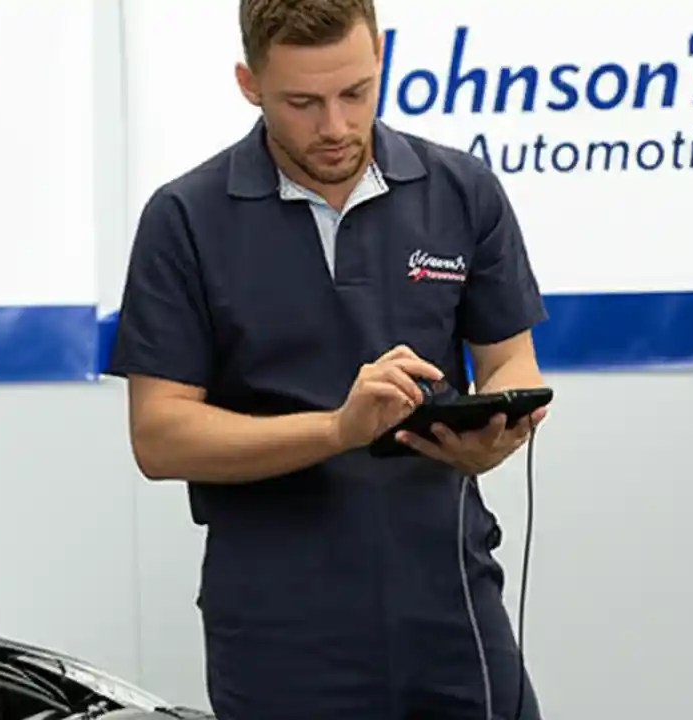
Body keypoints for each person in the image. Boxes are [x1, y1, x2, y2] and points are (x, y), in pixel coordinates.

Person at [105, 1, 550, 717]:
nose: (337, 126)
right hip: (280, 627)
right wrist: (337, 431)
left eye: (356, 93)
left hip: (451, 598)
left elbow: (512, 364)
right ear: (249, 83)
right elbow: (159, 438)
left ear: (379, 53)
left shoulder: (462, 191)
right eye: (302, 103)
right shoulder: (184, 219)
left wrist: (500, 426)